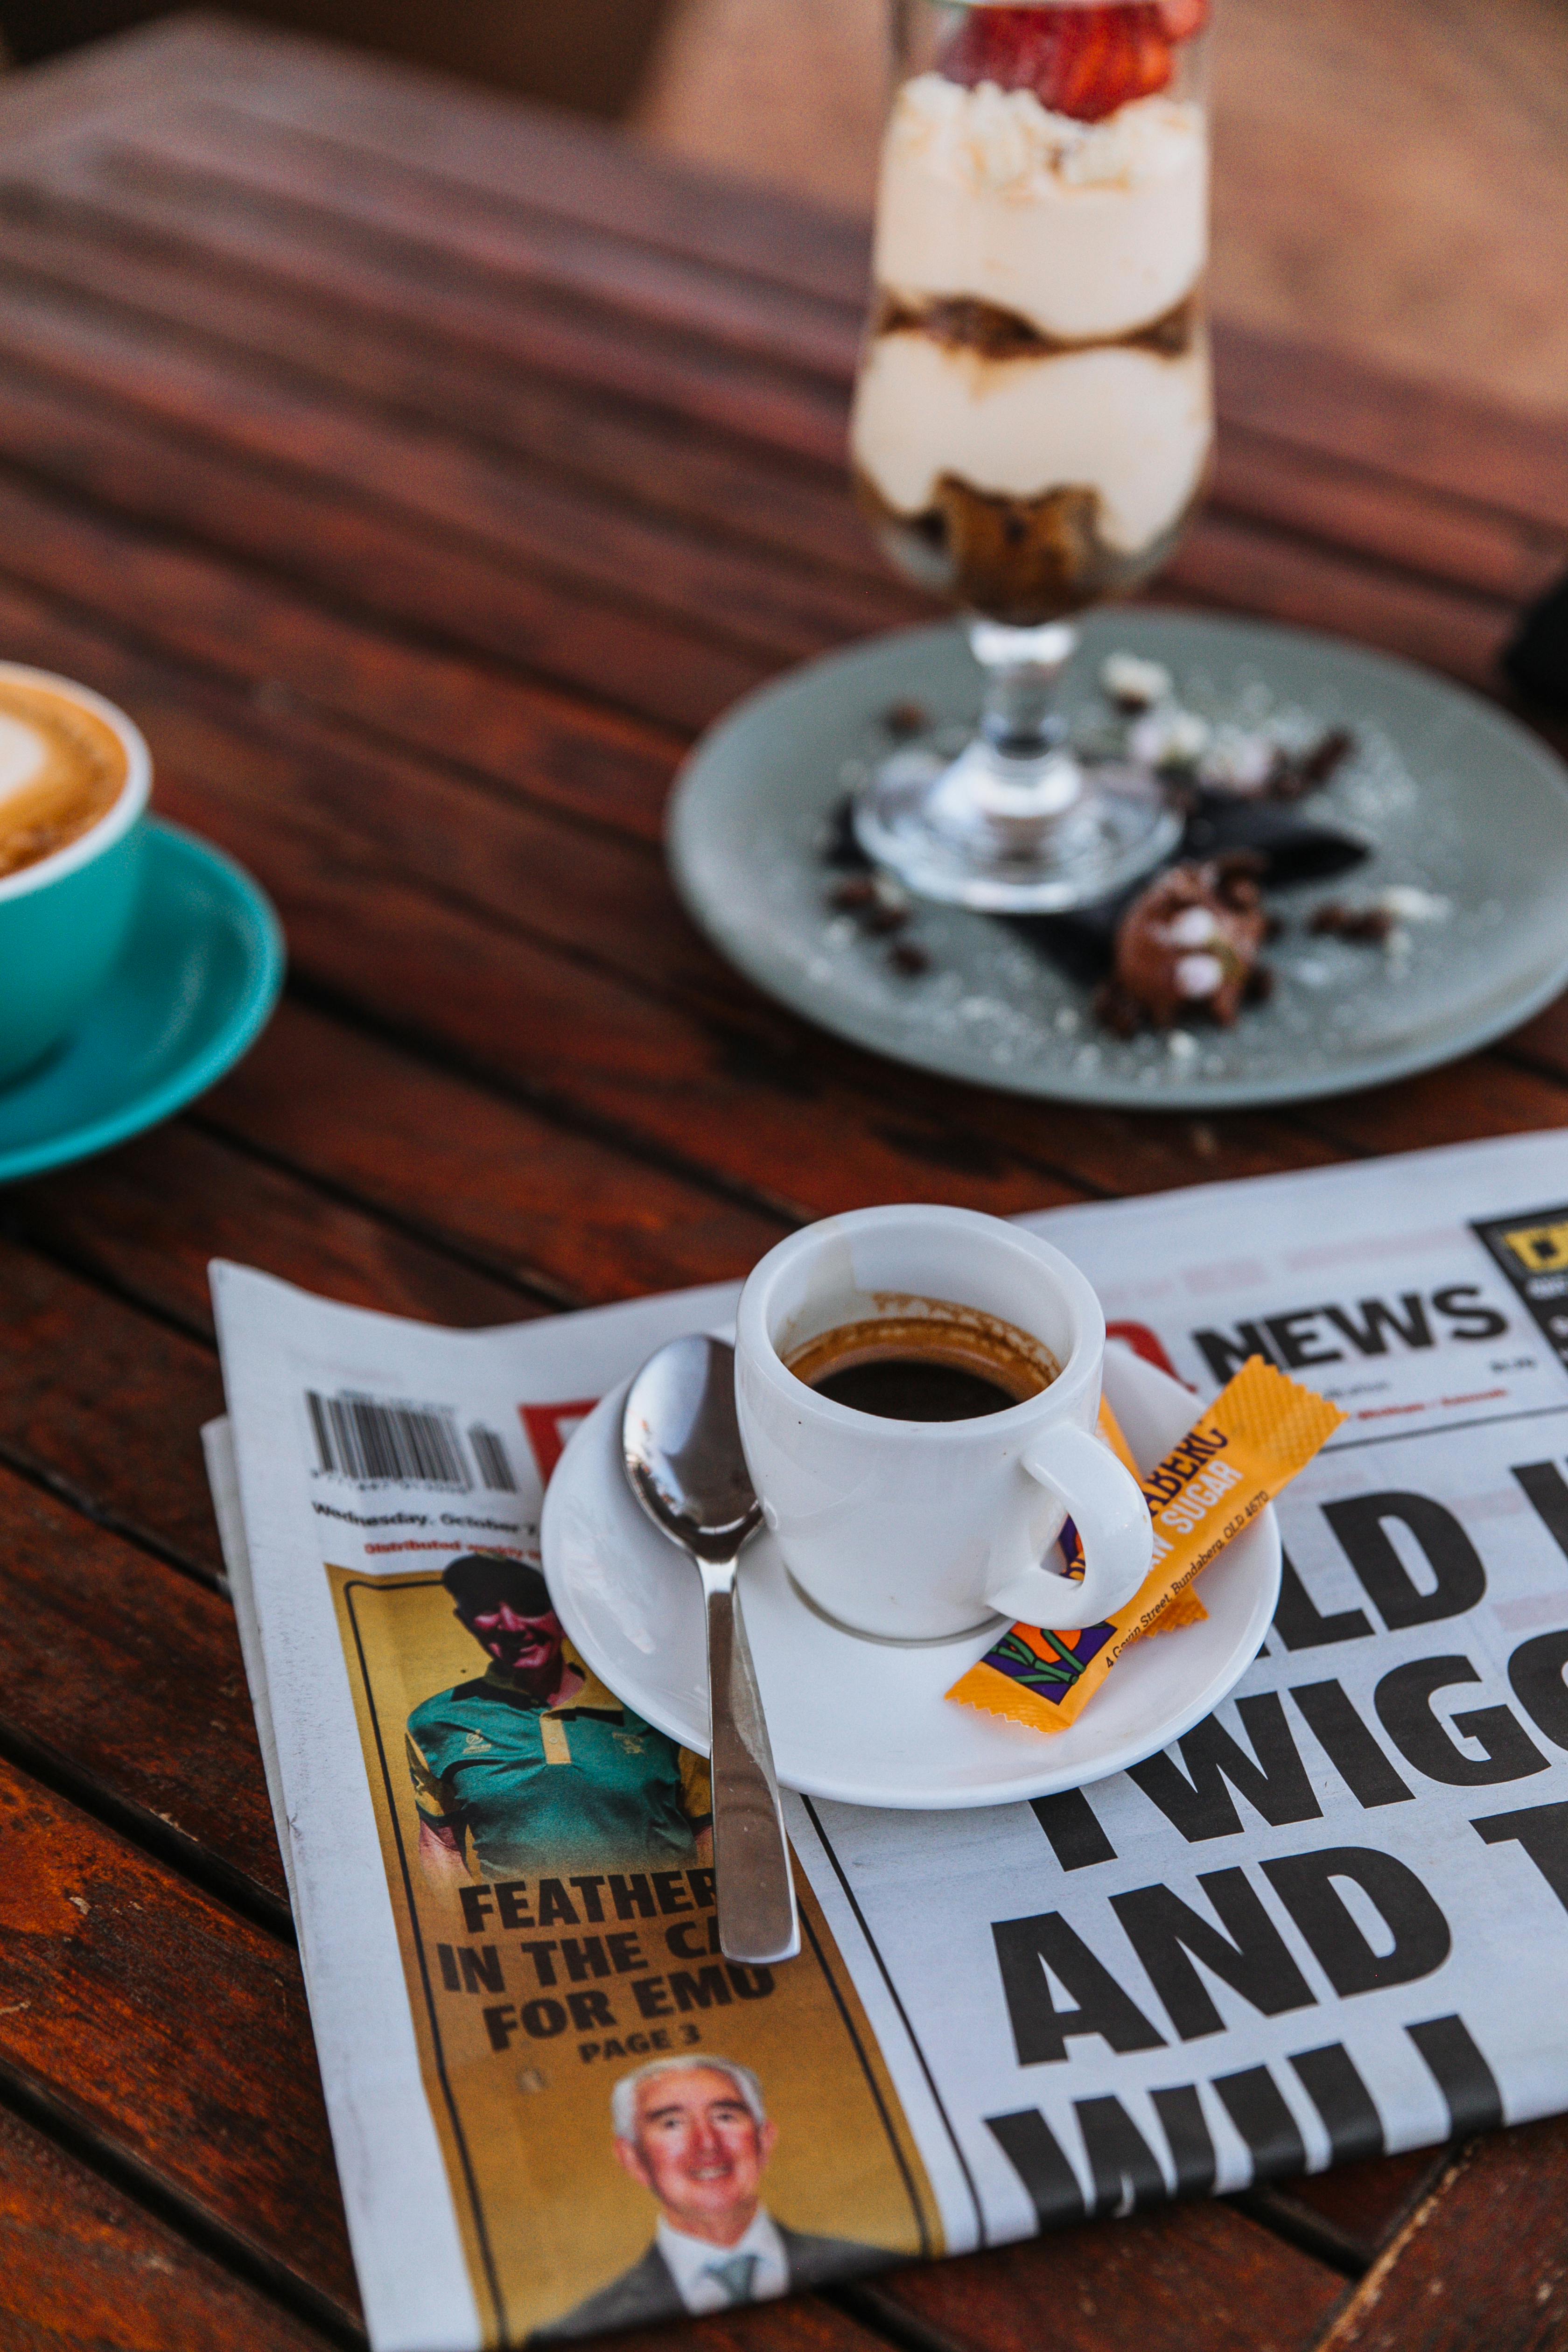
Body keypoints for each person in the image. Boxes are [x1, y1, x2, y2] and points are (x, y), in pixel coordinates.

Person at [406, 1555, 712, 1882]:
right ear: (466, 1620)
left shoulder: (653, 1703)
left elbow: (710, 1834)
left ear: (567, 1614)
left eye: (529, 1603)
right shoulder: (435, 1721)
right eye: (485, 1606)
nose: (511, 1626)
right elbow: (443, 1848)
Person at [536, 2057, 886, 2338]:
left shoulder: (881, 2264)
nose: (706, 2144)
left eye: (725, 2116)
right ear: (632, 2159)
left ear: (764, 2142)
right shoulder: (578, 2331)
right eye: (672, 2123)